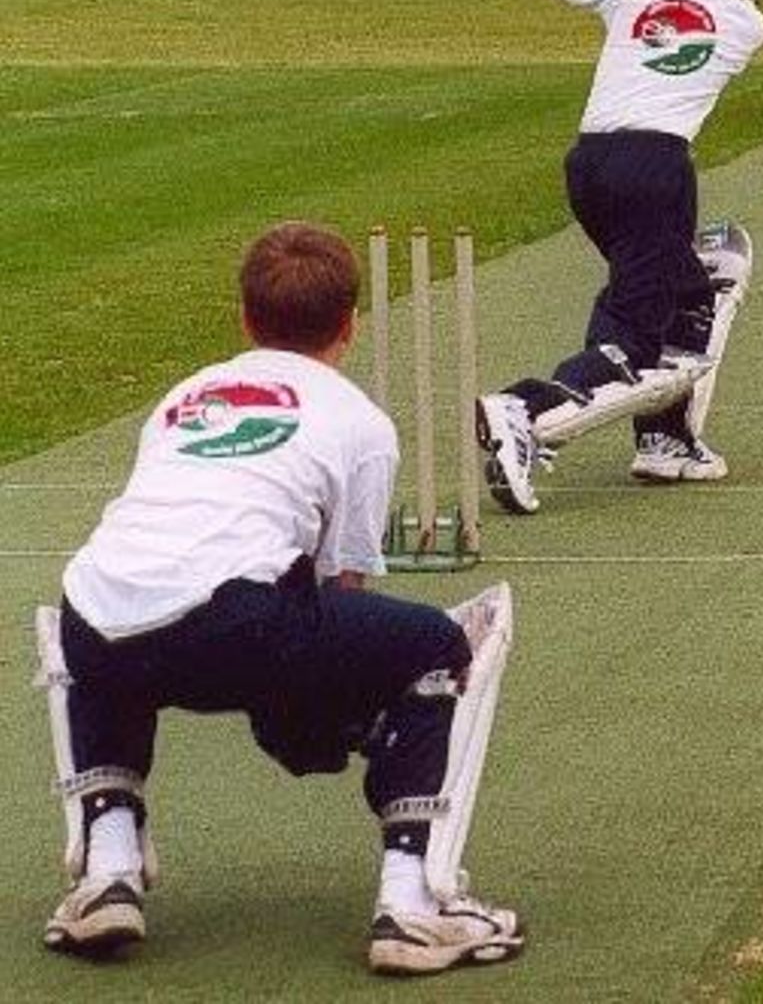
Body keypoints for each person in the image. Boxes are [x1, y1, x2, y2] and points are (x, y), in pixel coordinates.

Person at [38, 221, 523, 976]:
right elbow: (343, 587)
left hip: (90, 618)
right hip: (231, 622)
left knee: (120, 615)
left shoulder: (187, 393)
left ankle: (109, 871)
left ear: (244, 318)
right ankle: (411, 901)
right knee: (437, 643)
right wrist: (310, 723)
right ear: (349, 324)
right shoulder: (361, 422)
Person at [475, 0, 763, 516]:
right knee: (639, 338)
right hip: (656, 171)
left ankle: (665, 439)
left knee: (687, 298)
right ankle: (524, 409)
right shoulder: (745, 22)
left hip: (589, 166)